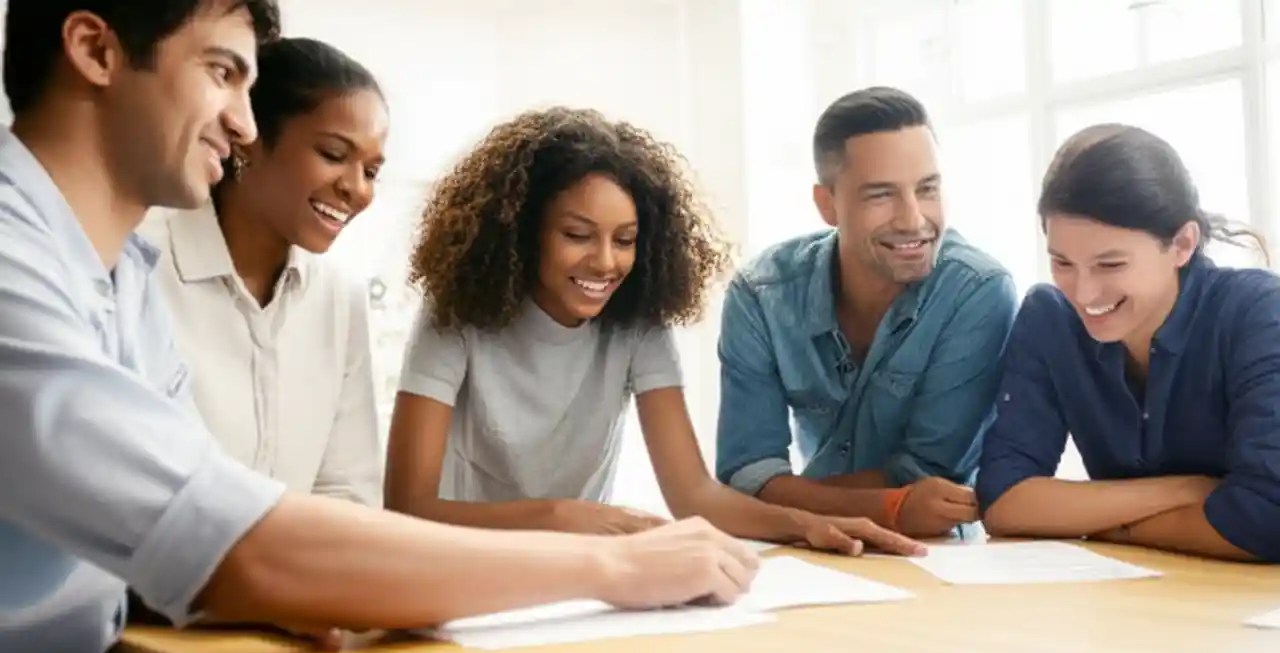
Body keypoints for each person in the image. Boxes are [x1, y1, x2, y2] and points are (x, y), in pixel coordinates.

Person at [0, 3, 759, 653]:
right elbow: (231, 540)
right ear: (95, 51)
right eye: (223, 74)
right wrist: (615, 570)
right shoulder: (15, 262)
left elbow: (218, 525)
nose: (241, 124)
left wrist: (288, 585)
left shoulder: (120, 278)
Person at [384, 107, 925, 557]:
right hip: (456, 561)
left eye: (625, 239)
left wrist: (801, 523)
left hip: (576, 569)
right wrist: (559, 515)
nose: (604, 262)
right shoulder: (456, 316)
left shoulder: (635, 324)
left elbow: (693, 493)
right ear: (523, 233)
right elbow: (407, 506)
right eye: (577, 235)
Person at [715, 86, 1017, 538]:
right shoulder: (761, 295)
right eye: (881, 195)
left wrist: (790, 496)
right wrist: (893, 506)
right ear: (827, 204)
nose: (914, 219)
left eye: (927, 189)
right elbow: (747, 474)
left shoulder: (976, 292)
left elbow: (929, 479)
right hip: (810, 545)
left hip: (939, 552)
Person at [977, 123, 1279, 563]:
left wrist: (1111, 528)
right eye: (1062, 262)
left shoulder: (1257, 312)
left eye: (1110, 264)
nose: (1082, 293)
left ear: (1181, 244)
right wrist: (1184, 490)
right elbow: (1004, 501)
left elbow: (1266, 517)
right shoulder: (1050, 318)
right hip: (1136, 600)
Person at [143, 37, 385, 506]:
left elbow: (348, 493)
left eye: (372, 171)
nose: (357, 190)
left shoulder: (340, 297)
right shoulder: (141, 263)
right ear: (248, 139)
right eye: (334, 155)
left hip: (297, 575)